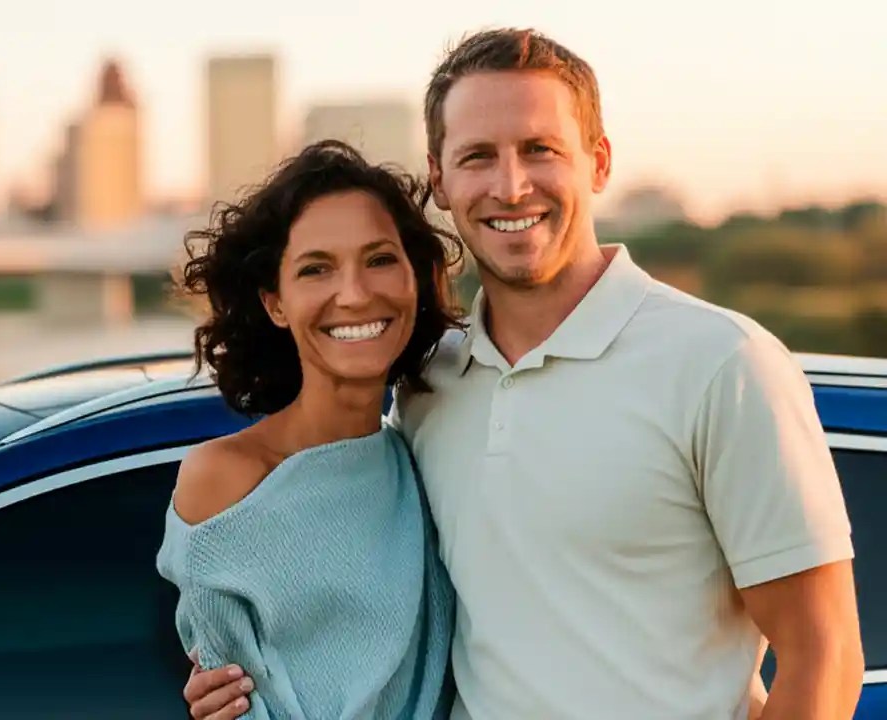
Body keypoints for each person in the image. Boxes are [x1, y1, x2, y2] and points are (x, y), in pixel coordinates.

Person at [184, 27, 864, 720]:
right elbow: (360, 607)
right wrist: (237, 675)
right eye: (478, 156)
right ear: (441, 179)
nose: (511, 187)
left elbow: (825, 658)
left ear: (597, 163)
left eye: (539, 150)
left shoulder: (722, 364)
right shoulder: (426, 385)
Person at [156, 139, 461, 719]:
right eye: (316, 269)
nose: (355, 294)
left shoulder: (429, 452)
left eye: (379, 260)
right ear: (275, 302)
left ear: (414, 280)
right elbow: (231, 702)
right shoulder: (228, 481)